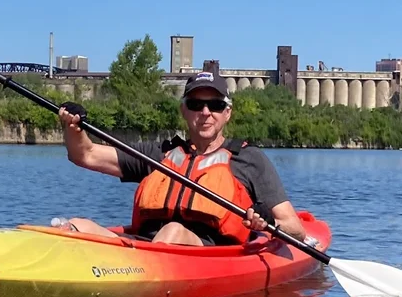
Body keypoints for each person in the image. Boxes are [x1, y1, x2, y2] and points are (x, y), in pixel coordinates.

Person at [55, 70, 308, 247]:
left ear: (227, 113)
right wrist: (73, 126)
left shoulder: (248, 159)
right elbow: (85, 154)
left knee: (173, 231)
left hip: (206, 253)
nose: (206, 113)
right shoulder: (160, 154)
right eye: (196, 105)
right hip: (147, 247)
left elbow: (295, 229)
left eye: (216, 105)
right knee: (76, 225)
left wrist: (267, 222)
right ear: (184, 110)